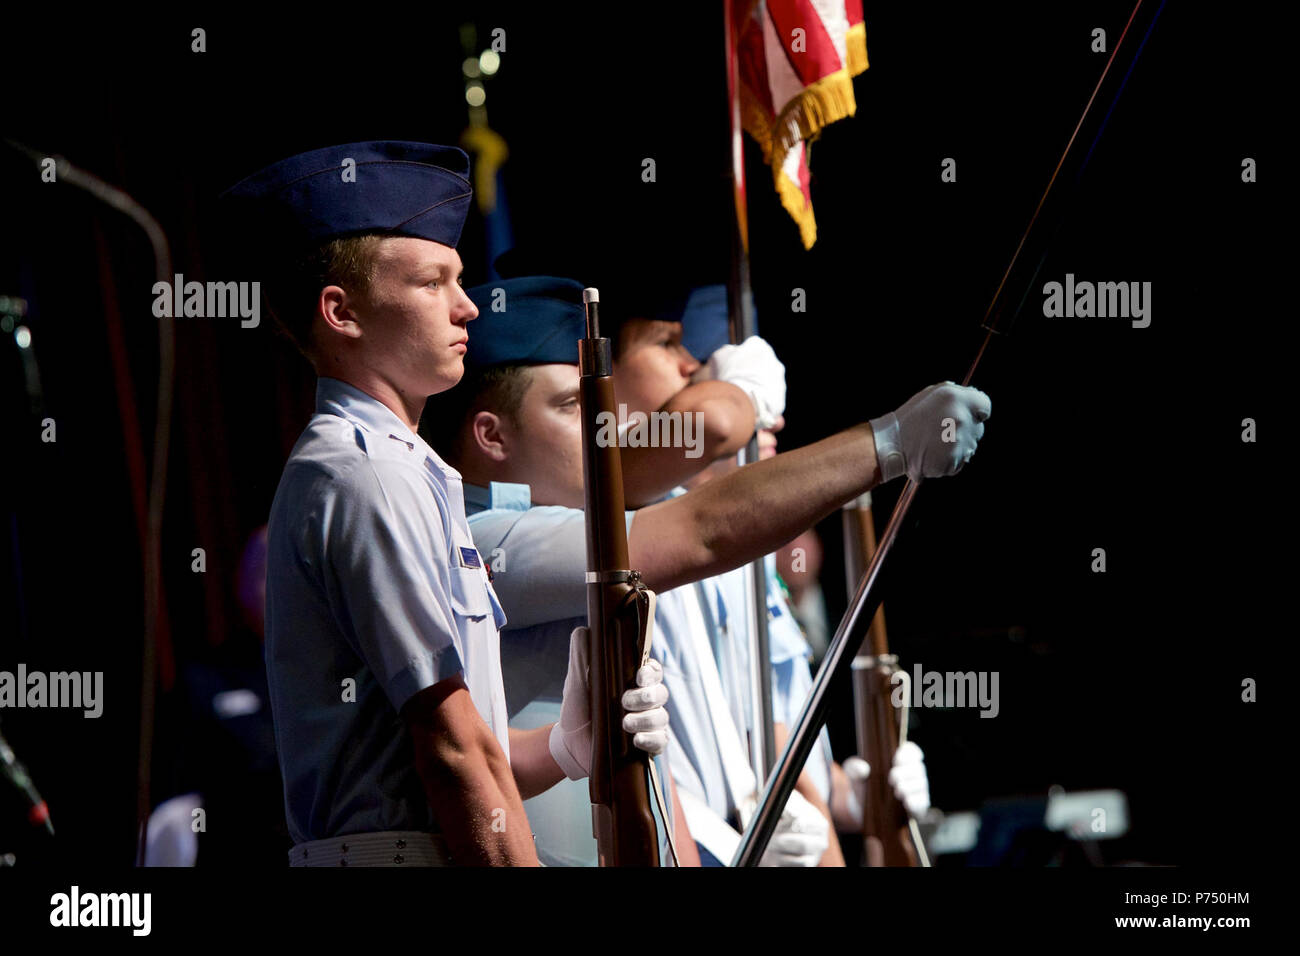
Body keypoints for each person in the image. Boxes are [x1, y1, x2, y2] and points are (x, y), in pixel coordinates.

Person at [422, 274, 989, 864]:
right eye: (574, 408)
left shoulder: (578, 528)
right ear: (490, 435)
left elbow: (671, 778)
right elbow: (704, 531)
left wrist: (852, 798)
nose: (604, 430)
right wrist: (890, 441)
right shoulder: (489, 537)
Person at [220, 142, 669, 866]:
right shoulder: (360, 475)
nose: (467, 306)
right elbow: (452, 750)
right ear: (342, 313)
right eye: (433, 282)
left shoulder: (409, 469)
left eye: (459, 279)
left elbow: (472, 748)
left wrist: (561, 746)